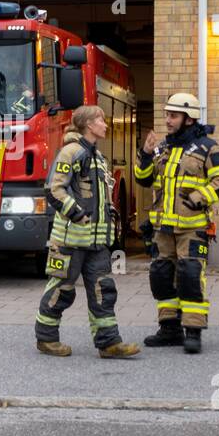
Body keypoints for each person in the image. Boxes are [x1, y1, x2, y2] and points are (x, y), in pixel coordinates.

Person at [34, 105, 140, 359]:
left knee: (104, 290)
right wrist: (78, 213)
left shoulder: (97, 157)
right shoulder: (71, 152)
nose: (105, 124)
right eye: (101, 120)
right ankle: (46, 339)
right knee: (62, 289)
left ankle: (109, 343)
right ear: (89, 125)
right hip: (70, 241)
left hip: (96, 244)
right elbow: (54, 189)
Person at [133, 92, 219, 354]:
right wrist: (144, 155)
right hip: (163, 228)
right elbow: (143, 179)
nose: (167, 120)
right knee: (162, 277)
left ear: (189, 119)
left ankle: (193, 331)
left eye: (173, 115)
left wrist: (199, 198)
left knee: (190, 277)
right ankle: (169, 329)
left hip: (192, 227)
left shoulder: (209, 147)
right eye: (167, 114)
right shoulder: (162, 148)